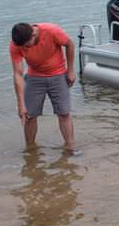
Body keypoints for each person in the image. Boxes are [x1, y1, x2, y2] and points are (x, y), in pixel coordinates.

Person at [10, 22, 76, 151]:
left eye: (27, 45)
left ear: (33, 34)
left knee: (64, 113)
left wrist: (71, 70)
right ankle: (30, 149)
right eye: (22, 46)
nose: (25, 48)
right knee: (29, 116)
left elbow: (69, 44)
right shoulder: (16, 45)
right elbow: (17, 74)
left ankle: (70, 147)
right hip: (34, 77)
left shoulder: (51, 30)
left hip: (58, 74)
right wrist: (21, 104)